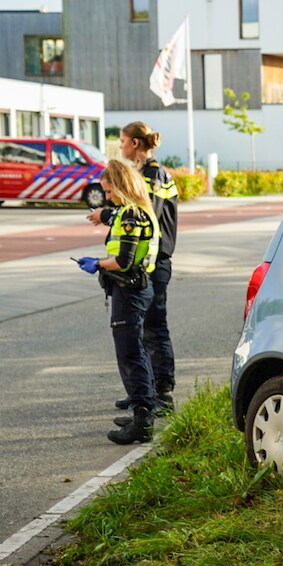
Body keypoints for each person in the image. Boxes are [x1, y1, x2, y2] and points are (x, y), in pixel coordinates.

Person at [88, 122, 178, 413]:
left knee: (153, 328)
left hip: (153, 263)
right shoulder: (149, 172)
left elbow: (142, 212)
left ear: (136, 144)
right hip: (147, 261)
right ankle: (143, 390)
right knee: (139, 332)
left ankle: (160, 392)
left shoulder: (153, 174)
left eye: (123, 140)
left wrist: (106, 214)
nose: (121, 146)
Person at [76, 160, 161, 444]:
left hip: (131, 290)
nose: (107, 197)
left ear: (122, 188)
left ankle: (142, 422)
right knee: (135, 351)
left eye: (110, 192)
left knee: (130, 354)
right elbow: (116, 221)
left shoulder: (132, 216)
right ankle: (143, 410)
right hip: (135, 290)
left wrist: (97, 264)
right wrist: (105, 216)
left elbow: (123, 261)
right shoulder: (132, 212)